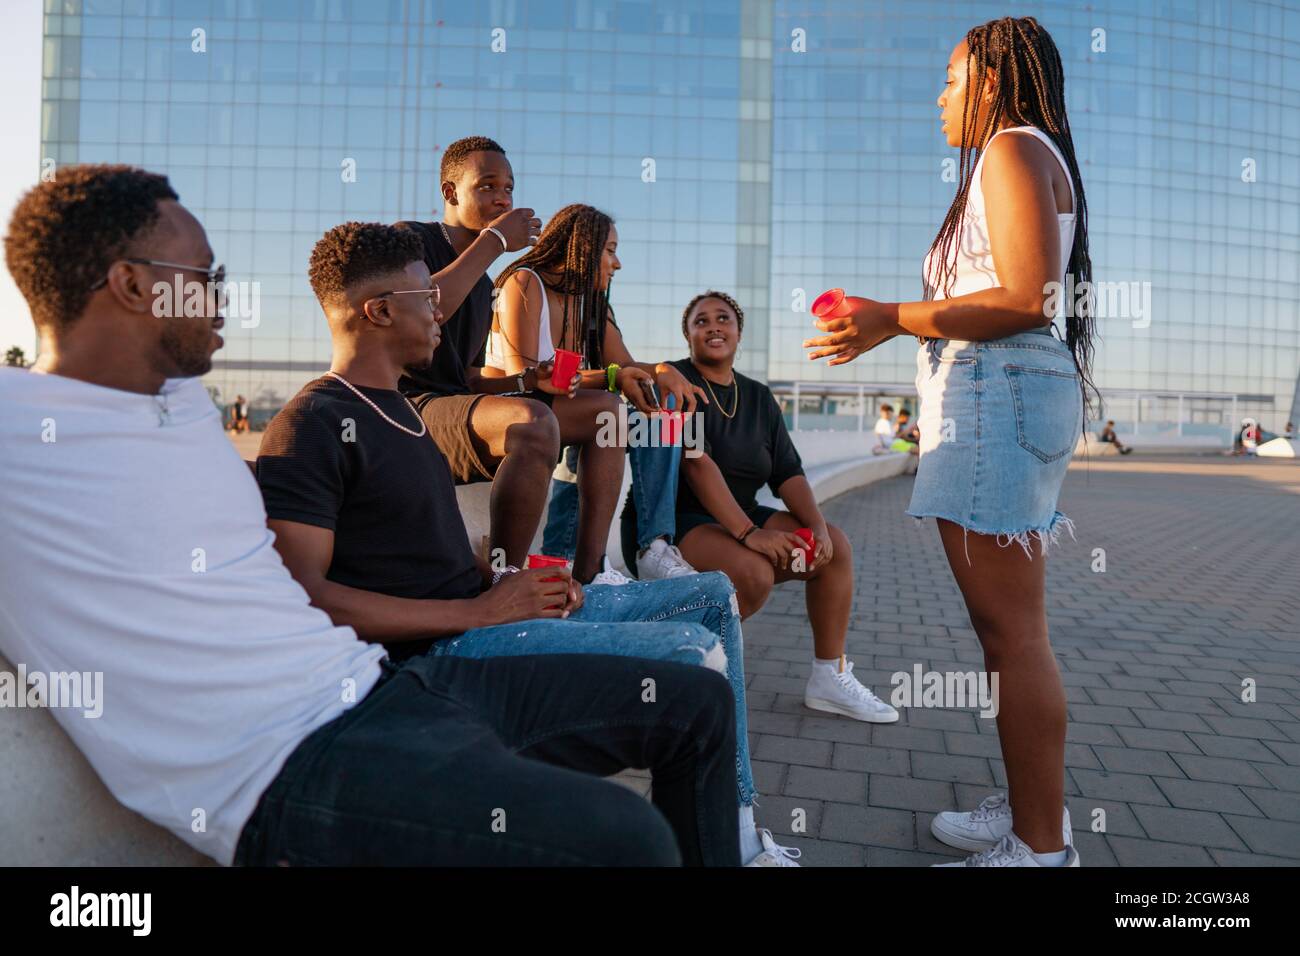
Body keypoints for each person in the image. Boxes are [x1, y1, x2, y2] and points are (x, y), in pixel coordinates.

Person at [0, 163, 743, 867]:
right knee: (628, 840)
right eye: (206, 278)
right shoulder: (18, 428)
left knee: (697, 706)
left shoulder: (180, 403)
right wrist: (478, 614)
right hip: (286, 767)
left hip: (379, 685)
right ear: (131, 285)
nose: (225, 299)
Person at [256, 221, 797, 866]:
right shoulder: (313, 423)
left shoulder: (401, 412)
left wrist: (496, 577)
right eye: (426, 296)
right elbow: (302, 600)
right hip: (445, 652)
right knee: (691, 654)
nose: (443, 307)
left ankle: (733, 835)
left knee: (711, 597)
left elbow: (403, 550)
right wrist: (479, 610)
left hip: (484, 611)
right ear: (377, 311)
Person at [803, 17, 1088, 865]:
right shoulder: (1029, 152)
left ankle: (1038, 848)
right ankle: (1038, 815)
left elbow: (1028, 297)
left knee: (1012, 635)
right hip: (1006, 391)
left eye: (951, 78)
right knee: (1009, 632)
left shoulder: (1010, 148)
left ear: (991, 82)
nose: (940, 96)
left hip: (996, 389)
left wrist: (890, 318)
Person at [625, 289, 898, 724]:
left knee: (836, 550)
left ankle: (829, 677)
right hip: (676, 519)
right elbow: (697, 466)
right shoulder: (675, 380)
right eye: (701, 321)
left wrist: (819, 528)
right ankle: (673, 668)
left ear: (738, 332)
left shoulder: (758, 396)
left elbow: (788, 472)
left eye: (723, 319)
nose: (713, 326)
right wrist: (752, 535)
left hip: (742, 510)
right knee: (753, 573)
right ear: (689, 336)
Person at [488, 203, 705, 581]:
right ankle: (587, 564)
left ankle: (653, 545)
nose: (616, 263)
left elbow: (625, 369)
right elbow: (525, 377)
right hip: (511, 407)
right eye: (609, 250)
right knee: (608, 411)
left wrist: (663, 371)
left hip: (567, 409)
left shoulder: (590, 303)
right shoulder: (525, 282)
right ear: (581, 247)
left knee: (659, 407)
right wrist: (613, 378)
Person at [391, 136, 575, 574]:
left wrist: (528, 383)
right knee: (532, 424)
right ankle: (507, 577)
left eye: (508, 188)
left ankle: (587, 566)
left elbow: (468, 377)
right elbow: (422, 312)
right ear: (450, 193)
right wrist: (493, 240)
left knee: (605, 411)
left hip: (455, 408)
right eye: (488, 186)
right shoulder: (408, 239)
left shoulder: (482, 282)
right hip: (405, 410)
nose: (502, 198)